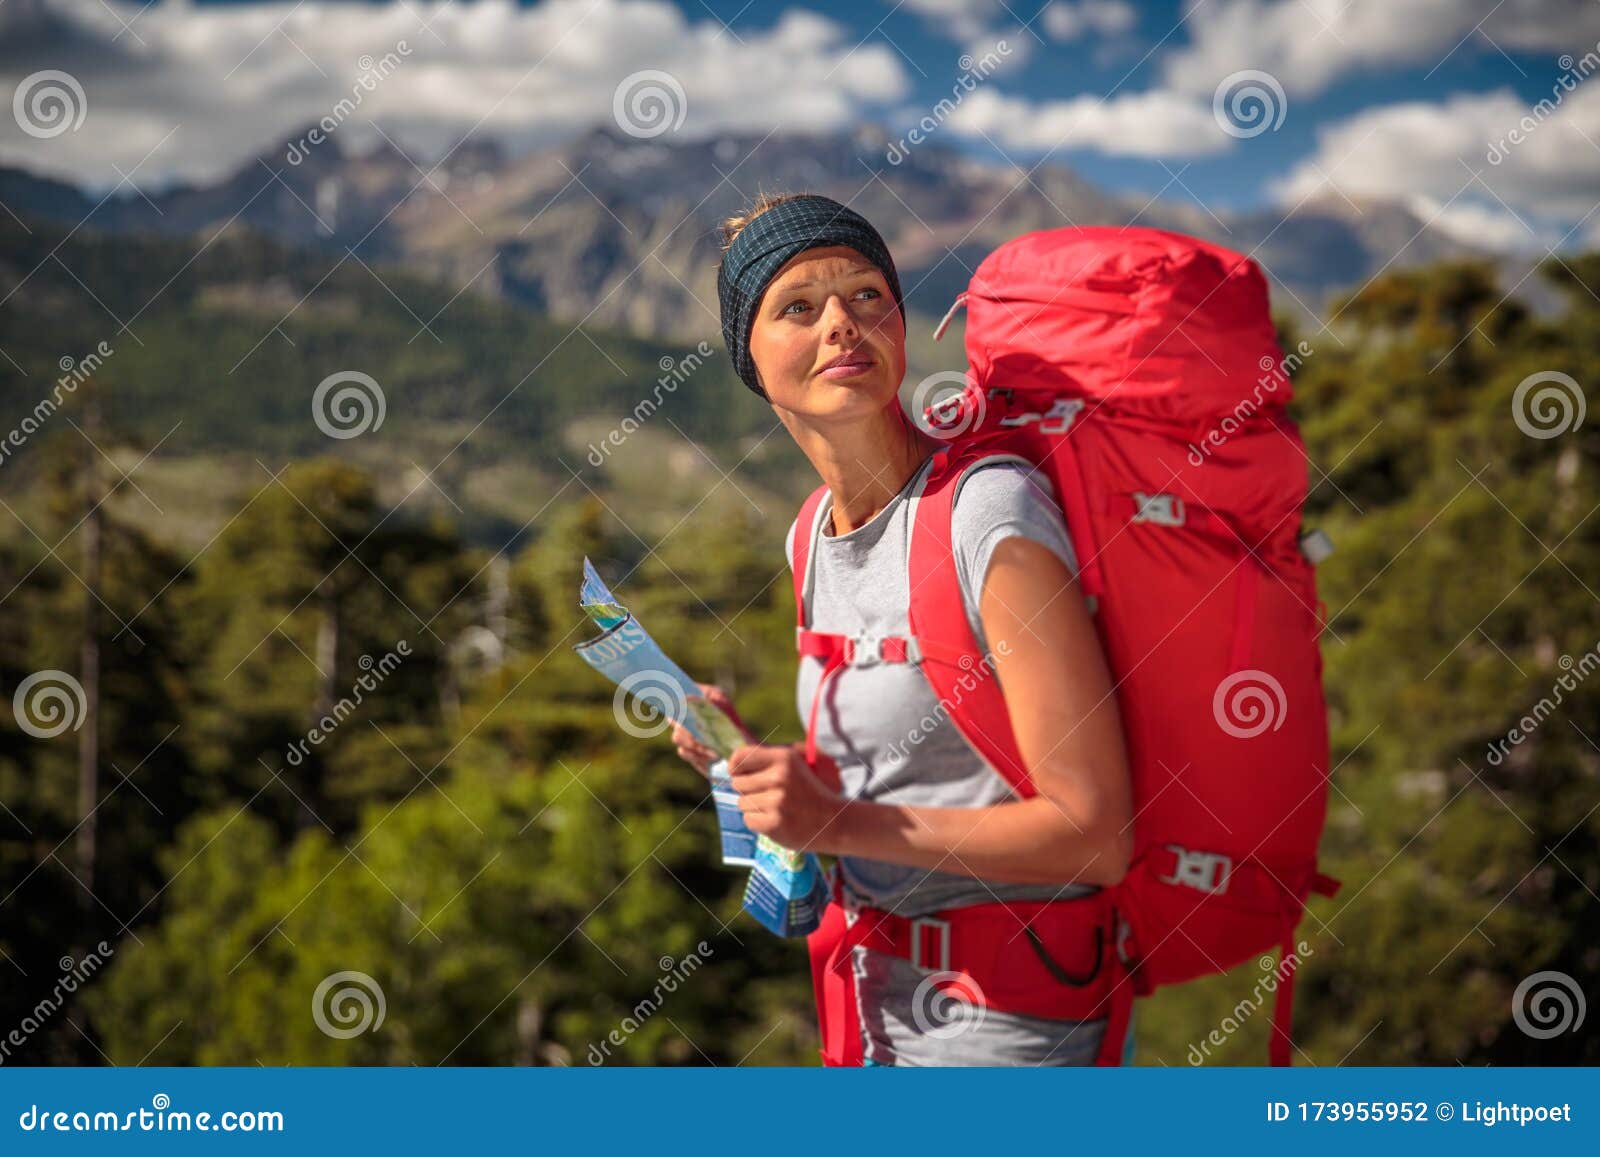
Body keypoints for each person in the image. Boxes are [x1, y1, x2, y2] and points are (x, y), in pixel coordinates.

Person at [672, 191, 1134, 1066]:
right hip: (867, 1003)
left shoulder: (986, 514)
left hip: (1007, 1032)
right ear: (750, 358)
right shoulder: (810, 532)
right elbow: (908, 768)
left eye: (867, 296)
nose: (842, 322)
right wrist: (767, 773)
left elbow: (1095, 833)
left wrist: (833, 820)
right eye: (798, 307)